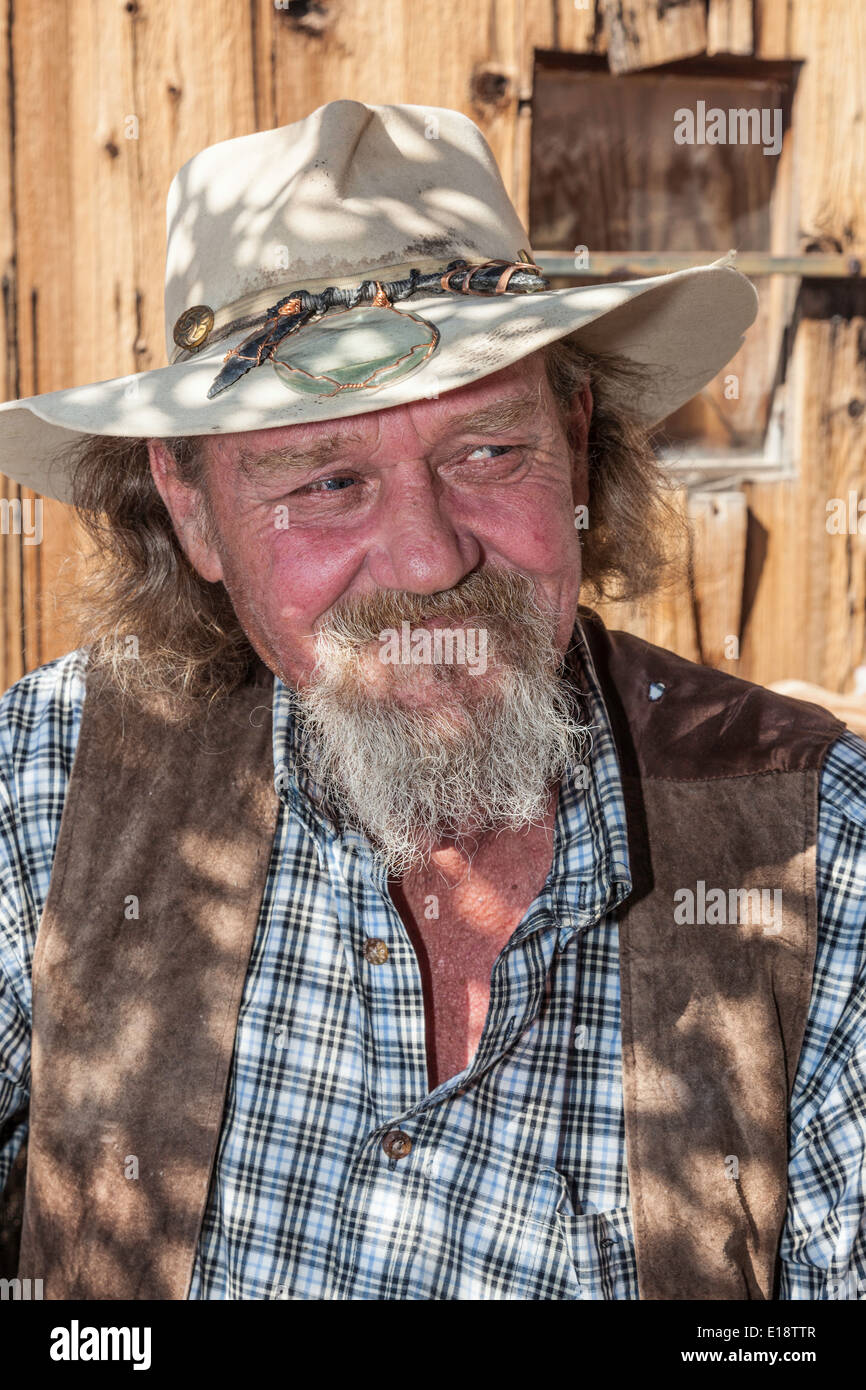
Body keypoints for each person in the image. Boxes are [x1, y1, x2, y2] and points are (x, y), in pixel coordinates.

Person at [0, 99, 863, 1301]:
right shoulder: (49, 780)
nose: (426, 558)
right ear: (192, 509)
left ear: (571, 440)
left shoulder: (823, 855)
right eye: (328, 477)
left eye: (487, 453)